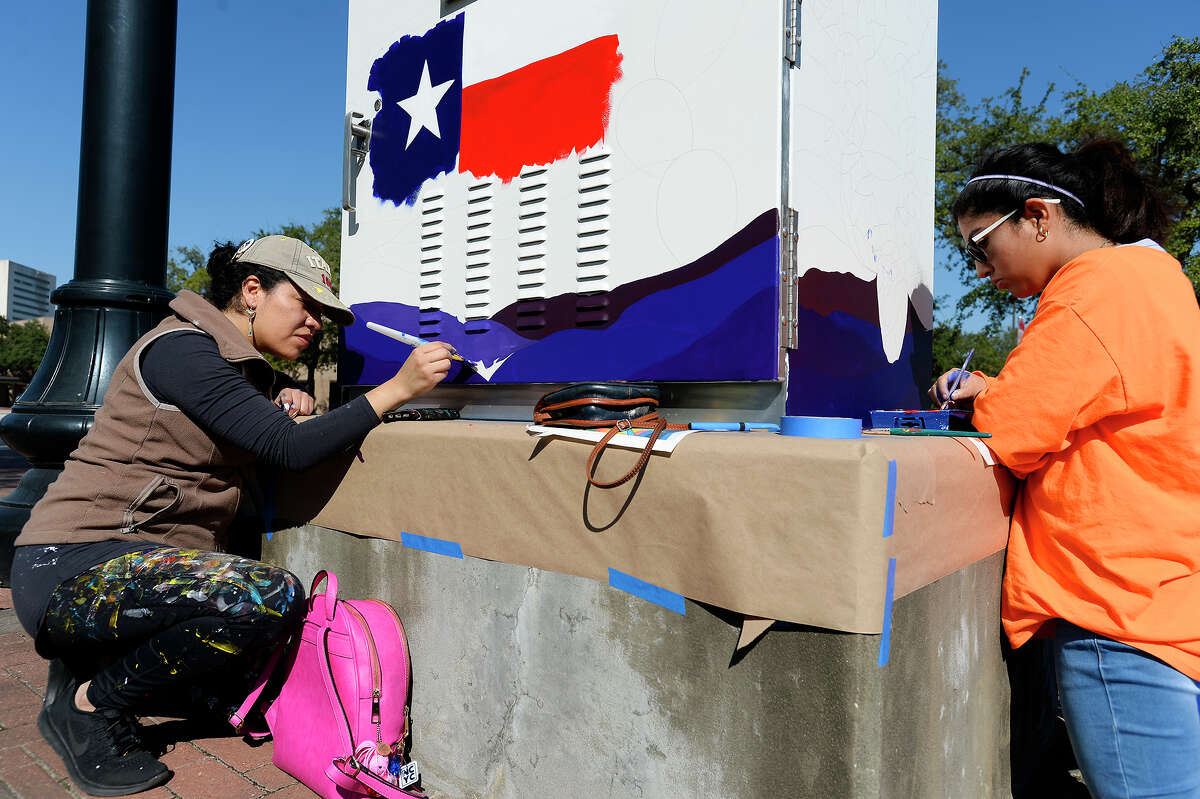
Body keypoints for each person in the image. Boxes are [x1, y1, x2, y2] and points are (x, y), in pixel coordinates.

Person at [9, 235, 454, 796]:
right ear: (251, 291)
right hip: (73, 565)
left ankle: (91, 665)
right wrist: (400, 388)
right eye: (306, 305)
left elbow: (265, 426)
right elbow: (288, 450)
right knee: (265, 598)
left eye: (323, 313)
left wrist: (289, 395)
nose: (316, 322)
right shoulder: (183, 350)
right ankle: (88, 706)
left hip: (139, 565)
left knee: (239, 667)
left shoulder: (236, 367)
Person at [930, 140, 1200, 799]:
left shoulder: (1091, 291)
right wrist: (996, 385)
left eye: (982, 247)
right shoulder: (1153, 276)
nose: (980, 271)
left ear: (1038, 215)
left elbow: (1016, 431)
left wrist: (982, 396)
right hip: (1164, 584)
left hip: (1115, 606)